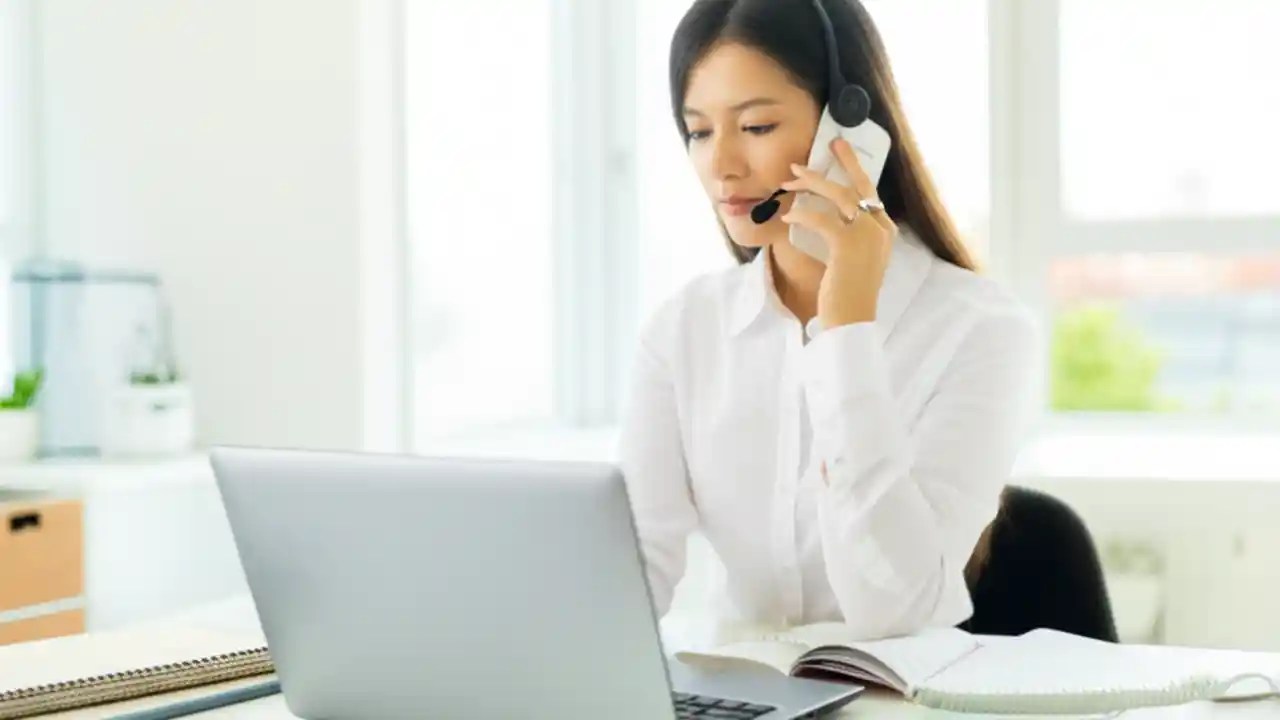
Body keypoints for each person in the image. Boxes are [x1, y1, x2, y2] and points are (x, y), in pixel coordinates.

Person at [617, 0, 1040, 642]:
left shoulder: (982, 331)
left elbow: (894, 611)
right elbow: (633, 572)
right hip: (742, 696)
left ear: (849, 131)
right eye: (699, 131)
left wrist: (846, 334)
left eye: (755, 126)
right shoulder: (681, 332)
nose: (721, 165)